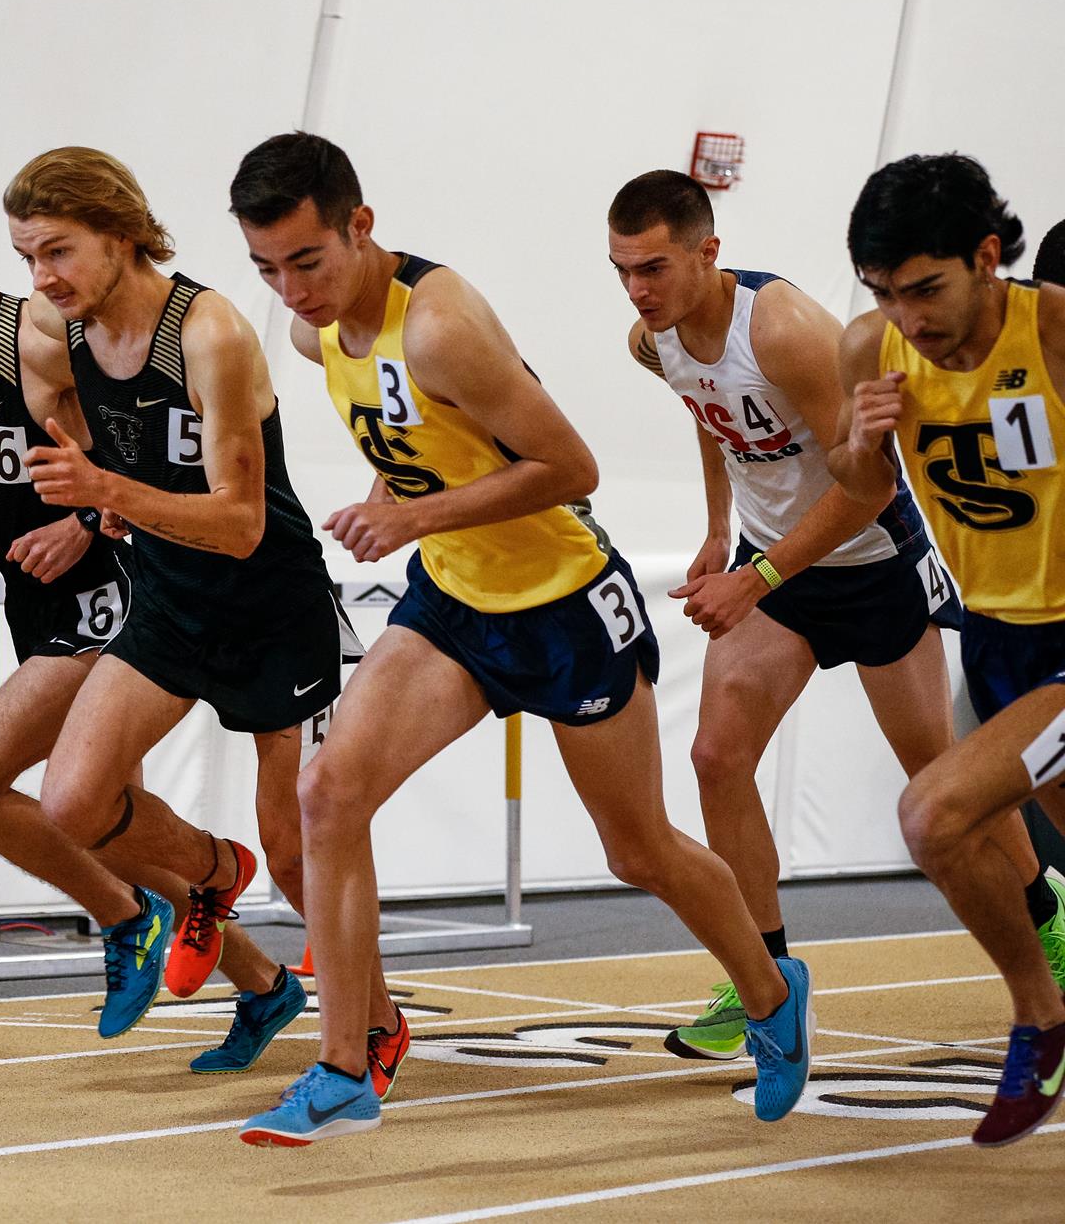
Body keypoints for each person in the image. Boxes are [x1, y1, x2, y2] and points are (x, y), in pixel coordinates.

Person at [229, 132, 812, 1145]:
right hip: (453, 602)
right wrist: (393, 498)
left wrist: (411, 516)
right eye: (266, 269)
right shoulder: (315, 334)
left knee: (638, 849)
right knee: (327, 794)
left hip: (563, 605)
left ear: (360, 227)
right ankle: (345, 1066)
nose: (291, 290)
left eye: (307, 261)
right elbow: (414, 442)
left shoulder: (440, 323)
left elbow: (571, 468)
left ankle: (769, 992)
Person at [0, 152, 304, 1068]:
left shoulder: (40, 329)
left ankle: (131, 916)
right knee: (107, 819)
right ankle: (262, 979)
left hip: (116, 588)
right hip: (36, 606)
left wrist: (84, 520)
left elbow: (120, 446)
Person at [605, 169, 1061, 1060]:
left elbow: (869, 487)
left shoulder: (786, 330)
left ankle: (1046, 913)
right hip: (774, 567)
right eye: (621, 270)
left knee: (943, 772)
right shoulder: (651, 338)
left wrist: (757, 575)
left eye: (652, 268)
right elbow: (707, 410)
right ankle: (764, 979)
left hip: (871, 560)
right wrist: (718, 529)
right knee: (716, 758)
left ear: (708, 252)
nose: (636, 290)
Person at [2, 147, 403, 1069]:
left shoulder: (209, 331)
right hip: (170, 602)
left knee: (296, 849)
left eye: (57, 251)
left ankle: (377, 1021)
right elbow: (109, 449)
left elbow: (241, 523)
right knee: (70, 800)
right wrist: (108, 497)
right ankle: (214, 873)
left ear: (121, 235)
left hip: (269, 605)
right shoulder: (55, 335)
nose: (42, 277)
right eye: (27, 257)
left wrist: (109, 490)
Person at [832, 153, 1065, 1146]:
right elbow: (857, 489)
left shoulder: (1050, 331)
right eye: (884, 292)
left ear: (986, 256)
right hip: (998, 642)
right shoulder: (870, 349)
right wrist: (861, 444)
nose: (907, 316)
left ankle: (1041, 1020)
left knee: (932, 816)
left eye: (925, 289)